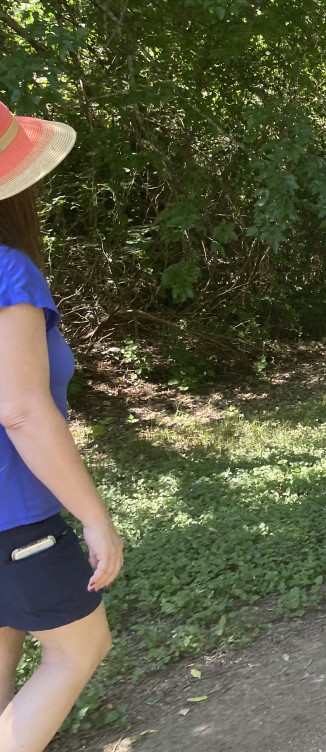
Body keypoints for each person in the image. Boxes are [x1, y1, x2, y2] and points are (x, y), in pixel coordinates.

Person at [0, 101, 123, 751]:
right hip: (14, 513)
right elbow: (20, 408)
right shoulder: (7, 271)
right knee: (78, 648)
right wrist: (94, 516)